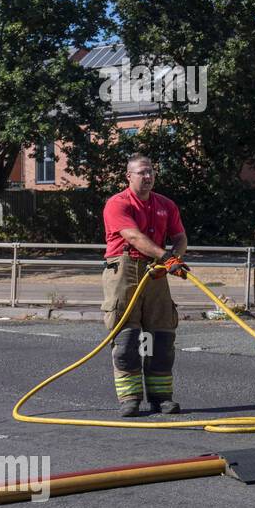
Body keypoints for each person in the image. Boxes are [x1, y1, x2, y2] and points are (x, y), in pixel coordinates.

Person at [101, 154, 189, 417]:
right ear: (129, 176)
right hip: (125, 269)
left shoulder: (166, 205)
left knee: (160, 335)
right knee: (128, 337)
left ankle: (161, 398)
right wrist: (166, 257)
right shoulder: (118, 203)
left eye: (150, 172)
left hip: (156, 273)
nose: (148, 176)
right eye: (141, 173)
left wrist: (176, 257)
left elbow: (180, 236)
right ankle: (130, 399)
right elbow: (133, 236)